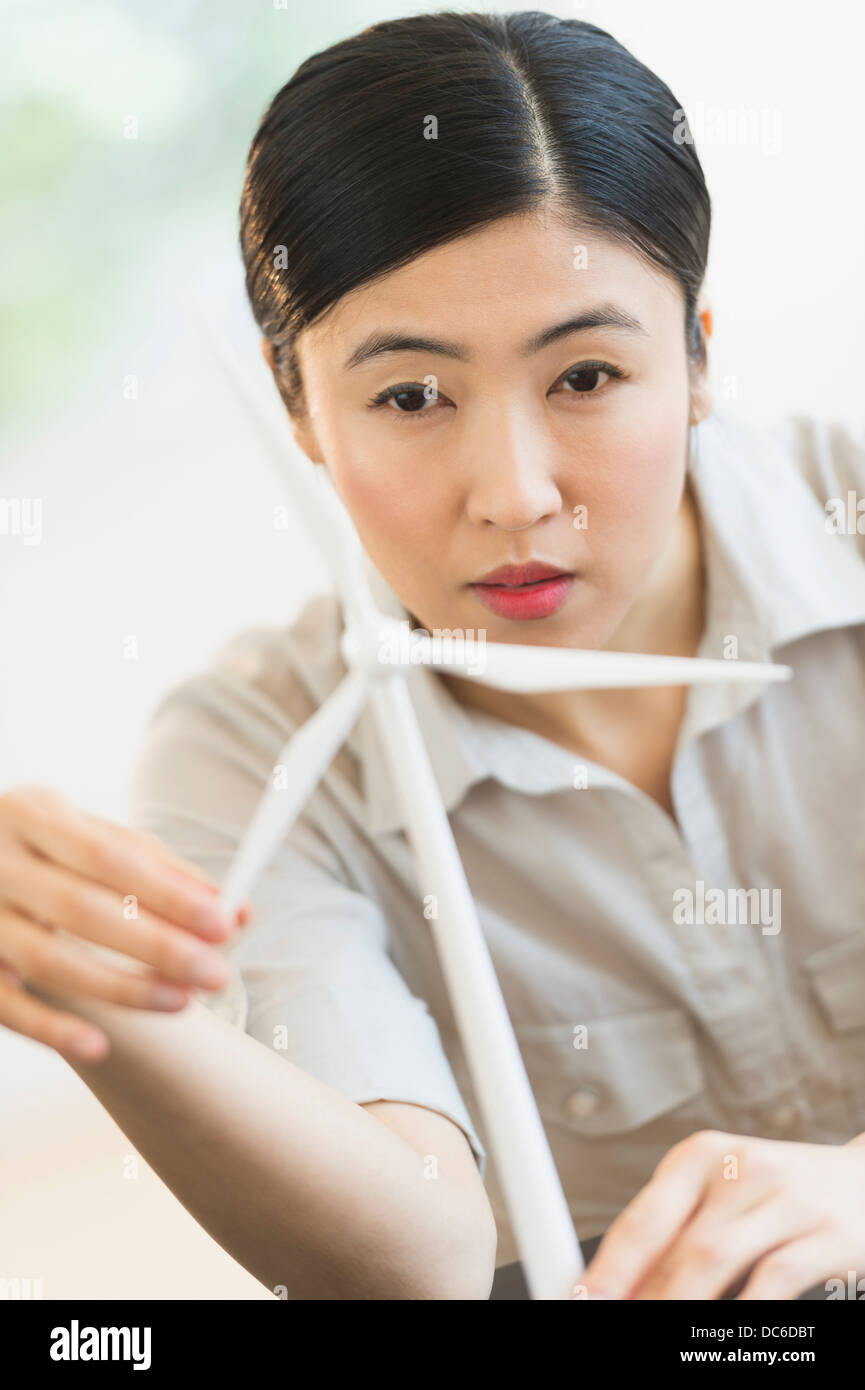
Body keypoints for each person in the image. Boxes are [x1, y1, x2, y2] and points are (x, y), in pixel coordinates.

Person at [3, 10, 865, 1301]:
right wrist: (94, 994)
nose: (512, 494)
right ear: (296, 408)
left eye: (583, 375)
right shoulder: (249, 750)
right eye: (409, 396)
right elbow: (416, 1260)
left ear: (694, 356)